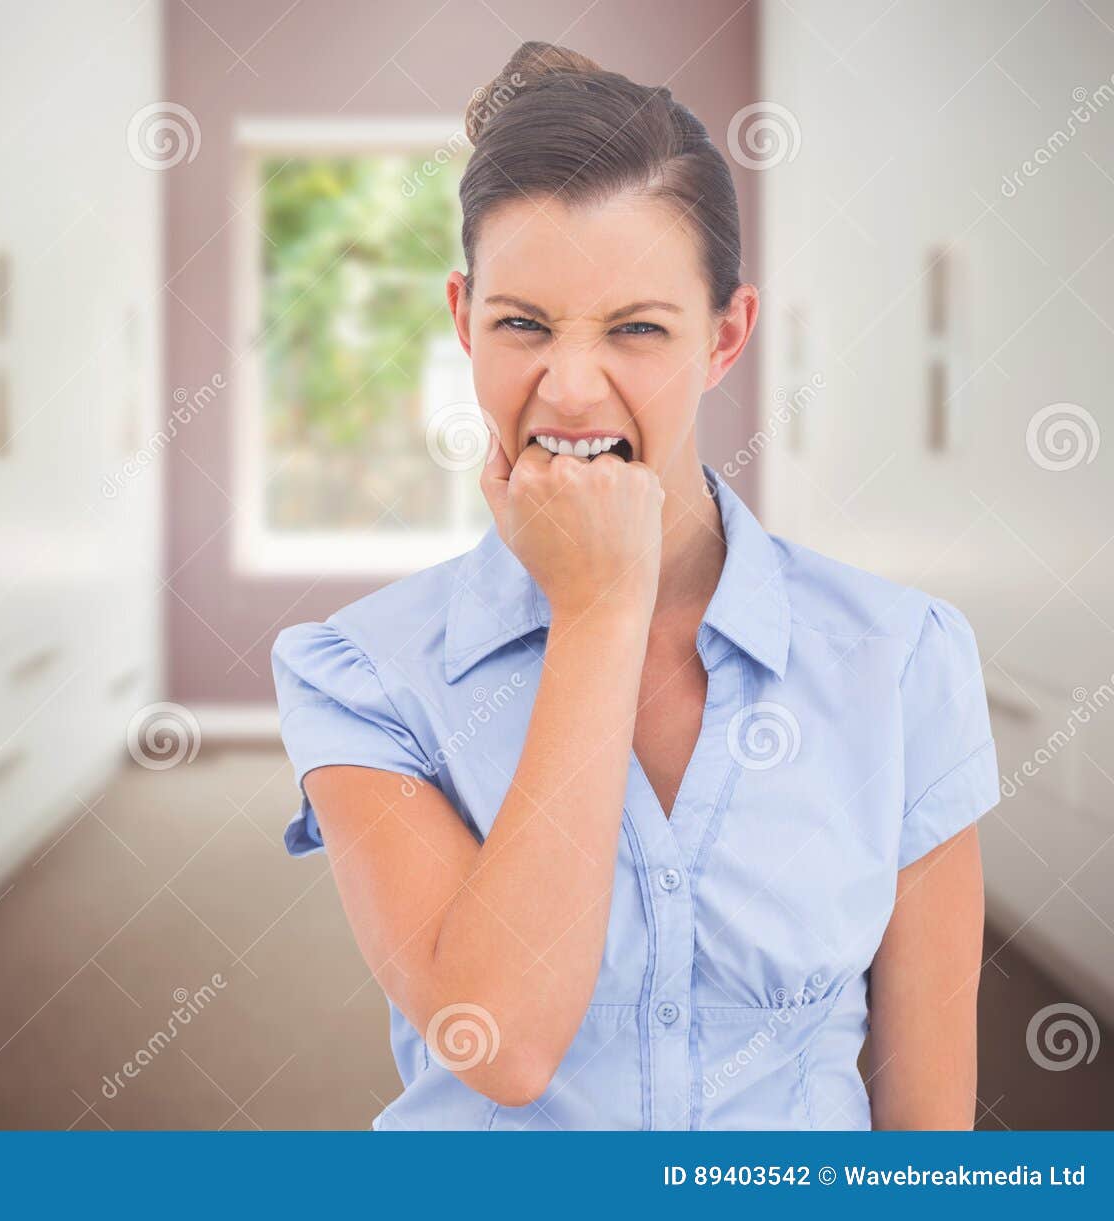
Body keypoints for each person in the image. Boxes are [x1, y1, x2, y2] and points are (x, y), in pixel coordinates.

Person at [270, 40, 1000, 1131]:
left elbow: (927, 1135)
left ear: (725, 336)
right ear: (463, 318)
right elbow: (500, 1041)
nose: (569, 387)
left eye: (636, 330)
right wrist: (599, 612)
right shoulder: (361, 672)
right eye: (522, 324)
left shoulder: (900, 660)